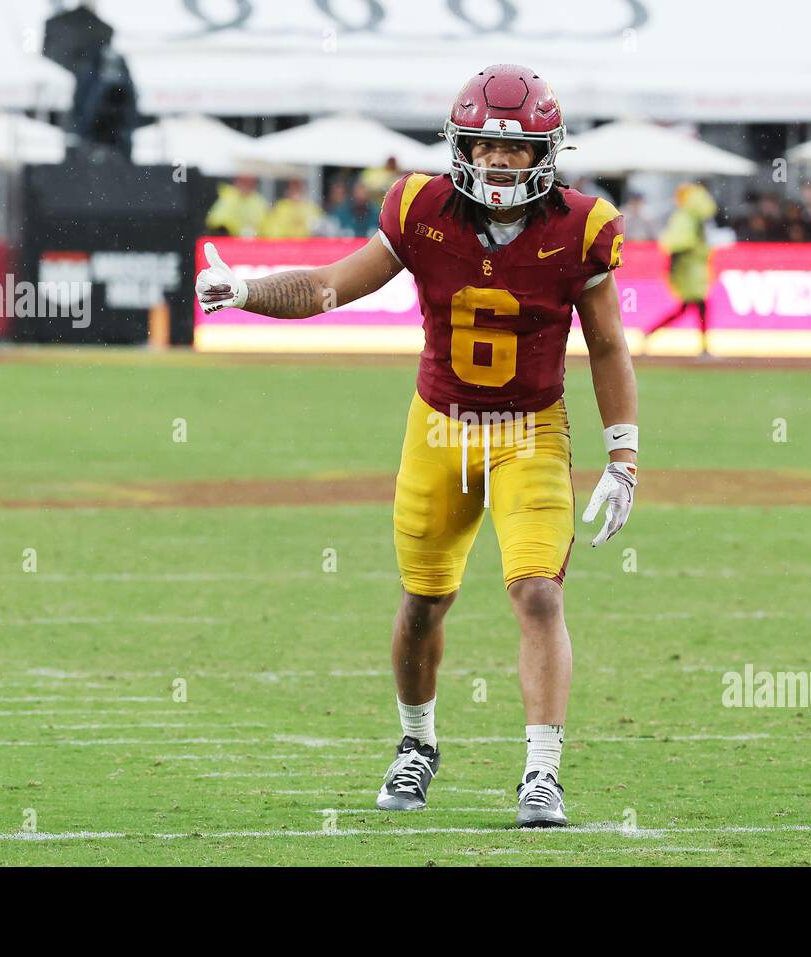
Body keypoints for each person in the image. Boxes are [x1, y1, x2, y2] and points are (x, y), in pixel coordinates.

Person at [195, 63, 637, 828]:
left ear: (546, 153)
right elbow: (335, 284)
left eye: (517, 149)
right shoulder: (420, 208)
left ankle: (541, 771)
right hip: (439, 427)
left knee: (537, 589)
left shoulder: (583, 227)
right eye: (485, 147)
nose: (499, 162)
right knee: (425, 603)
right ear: (460, 145)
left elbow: (606, 345)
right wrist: (249, 293)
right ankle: (418, 741)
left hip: (532, 429)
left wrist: (623, 455)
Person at [647, 181, 717, 355]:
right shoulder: (687, 218)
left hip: (692, 269)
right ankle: (704, 347)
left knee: (687, 308)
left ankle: (650, 333)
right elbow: (678, 245)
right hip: (689, 270)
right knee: (698, 306)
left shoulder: (688, 217)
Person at [205, 175, 270, 237]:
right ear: (237, 181)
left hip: (256, 242)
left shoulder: (259, 202)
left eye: (249, 183)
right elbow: (218, 221)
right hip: (231, 240)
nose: (246, 185)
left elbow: (267, 226)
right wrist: (236, 230)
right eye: (244, 182)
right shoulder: (228, 198)